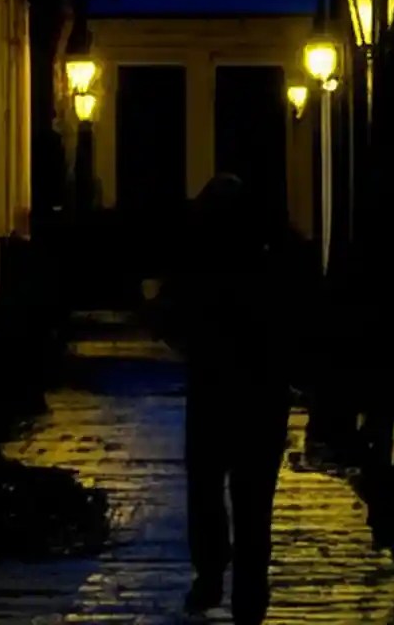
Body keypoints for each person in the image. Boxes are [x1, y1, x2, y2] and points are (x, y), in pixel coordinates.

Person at [157, 173, 312, 624]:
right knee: (254, 496)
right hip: (262, 392)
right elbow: (297, 317)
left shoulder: (198, 258)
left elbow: (170, 316)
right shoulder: (275, 255)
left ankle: (211, 572)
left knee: (206, 486)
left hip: (212, 388)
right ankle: (250, 585)